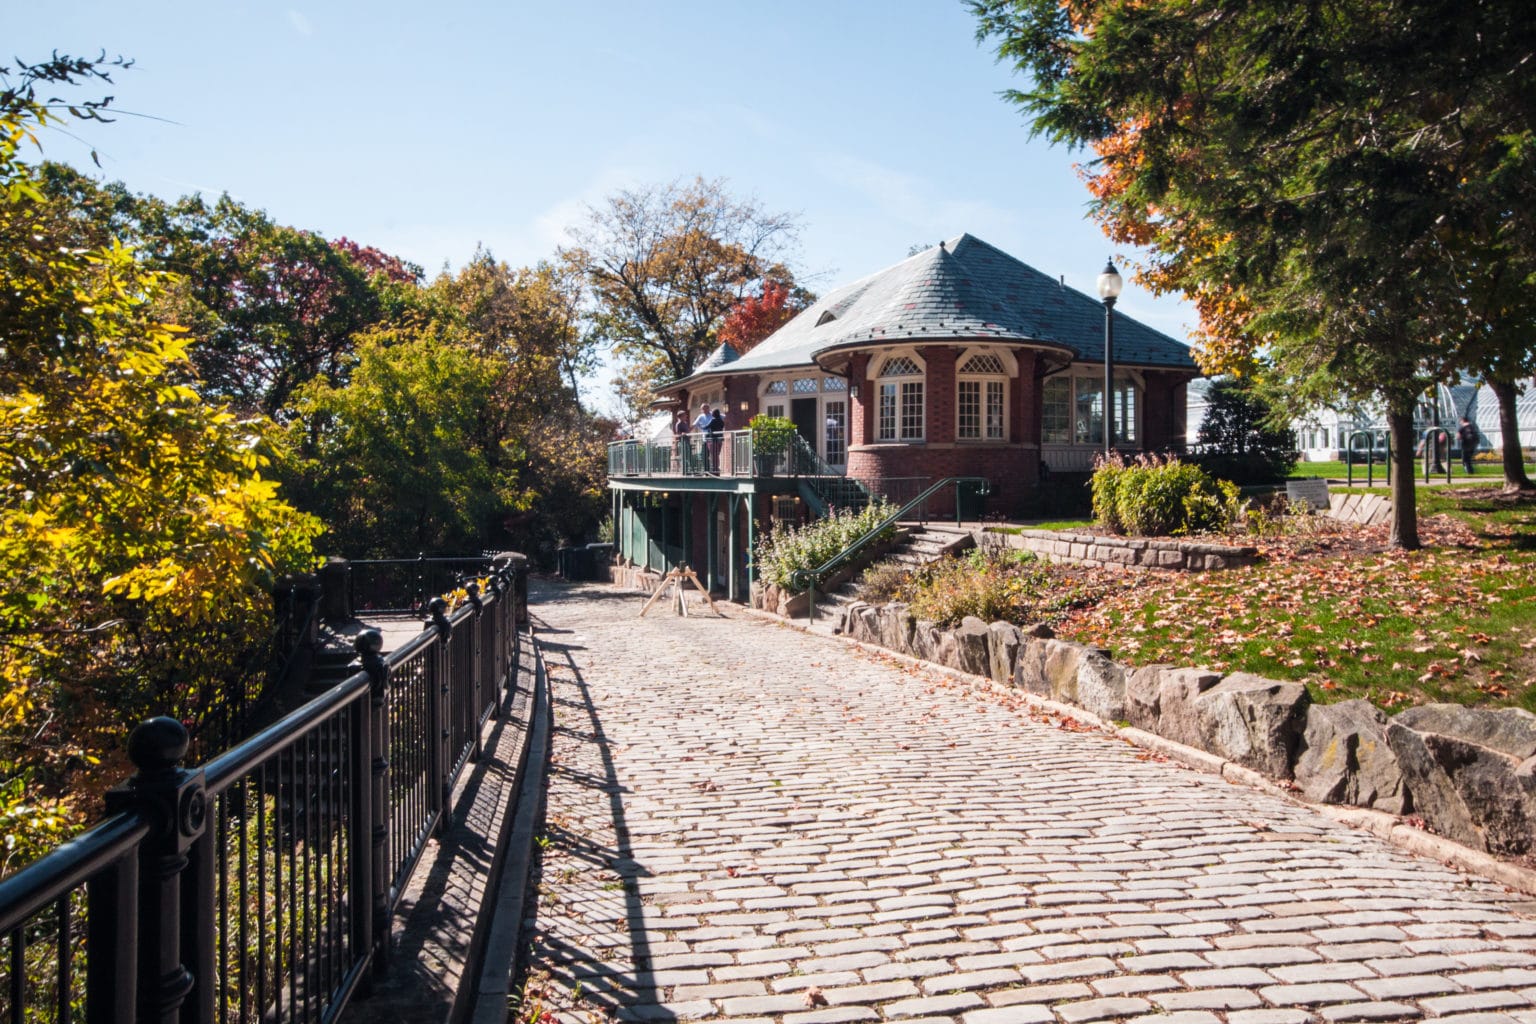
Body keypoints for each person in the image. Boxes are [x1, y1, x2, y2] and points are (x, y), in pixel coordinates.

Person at [707, 406, 725, 474]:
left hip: (713, 439)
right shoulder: (721, 420)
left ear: (713, 414)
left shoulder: (713, 420)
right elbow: (722, 426)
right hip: (719, 439)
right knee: (717, 454)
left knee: (713, 454)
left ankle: (714, 469)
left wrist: (701, 425)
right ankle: (717, 468)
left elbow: (707, 426)